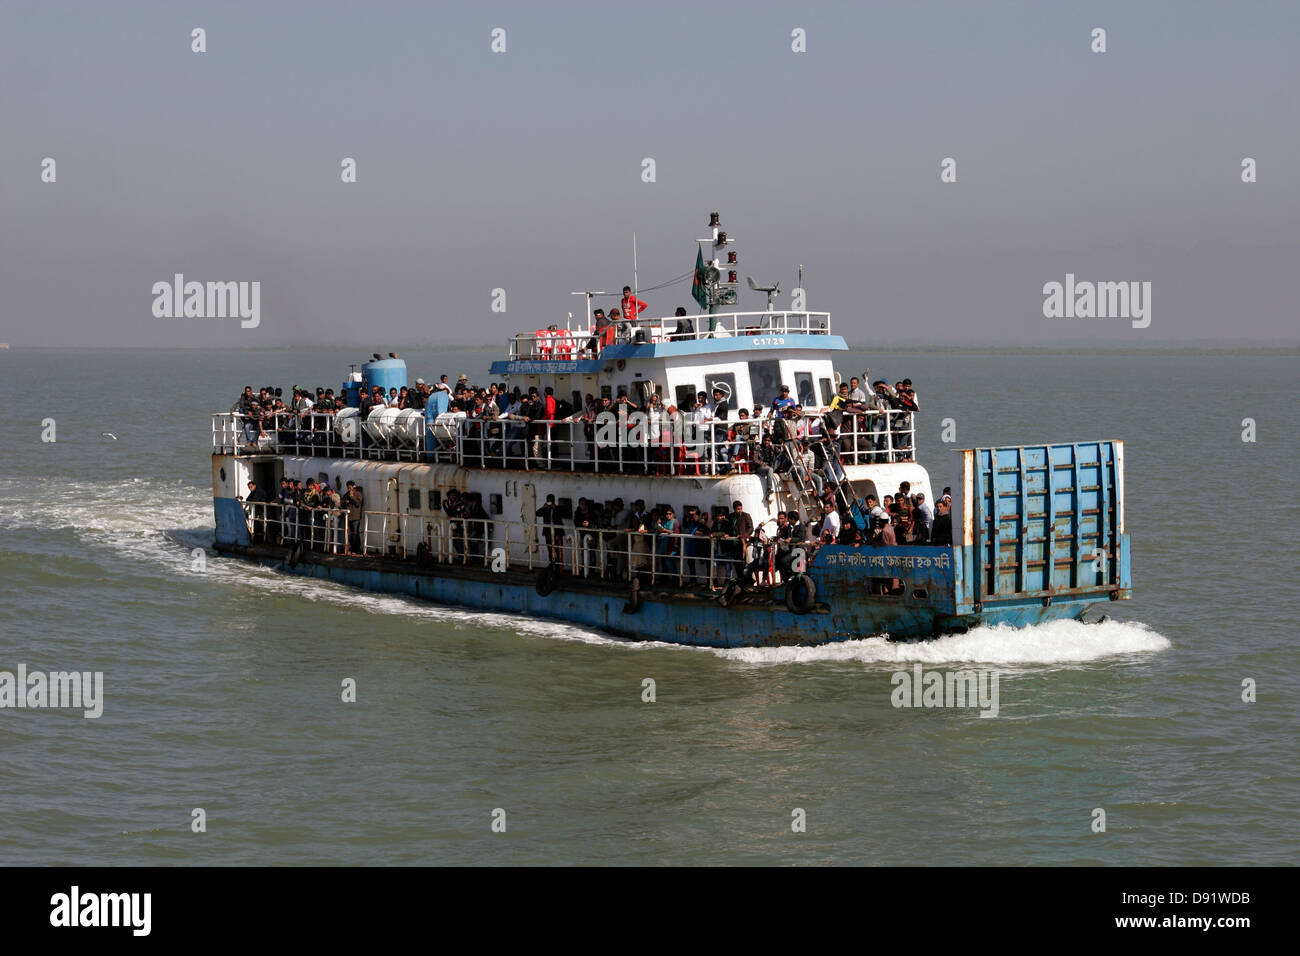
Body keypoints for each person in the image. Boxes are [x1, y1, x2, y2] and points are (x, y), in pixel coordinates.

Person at [343, 480, 364, 554]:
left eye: (350, 487)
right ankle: (352, 548)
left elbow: (358, 503)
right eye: (348, 487)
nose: (349, 489)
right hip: (349, 517)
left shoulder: (358, 494)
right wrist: (345, 502)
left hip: (356, 517)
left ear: (353, 486)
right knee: (350, 534)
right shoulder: (346, 494)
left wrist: (352, 497)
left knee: (355, 533)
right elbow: (343, 502)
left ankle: (357, 549)